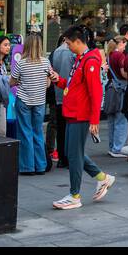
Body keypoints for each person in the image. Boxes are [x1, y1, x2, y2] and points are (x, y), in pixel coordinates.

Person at [52, 28, 115, 209]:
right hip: (73, 113)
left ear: (78, 41)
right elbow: (73, 85)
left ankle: (75, 195)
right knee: (73, 152)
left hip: (80, 114)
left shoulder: (89, 61)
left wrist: (94, 120)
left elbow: (96, 93)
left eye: (69, 43)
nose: (67, 46)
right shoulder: (82, 59)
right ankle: (102, 179)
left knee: (74, 154)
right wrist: (58, 80)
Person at [11, 32, 56, 175]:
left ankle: (27, 167)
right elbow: (49, 82)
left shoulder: (21, 63)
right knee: (37, 132)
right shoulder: (46, 61)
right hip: (39, 101)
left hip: (24, 100)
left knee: (25, 133)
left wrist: (21, 81)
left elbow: (11, 82)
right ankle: (41, 165)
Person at [49, 28, 76, 168]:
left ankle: (61, 157)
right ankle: (67, 157)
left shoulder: (56, 52)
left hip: (58, 93)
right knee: (69, 128)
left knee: (60, 128)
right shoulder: (70, 52)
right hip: (69, 95)